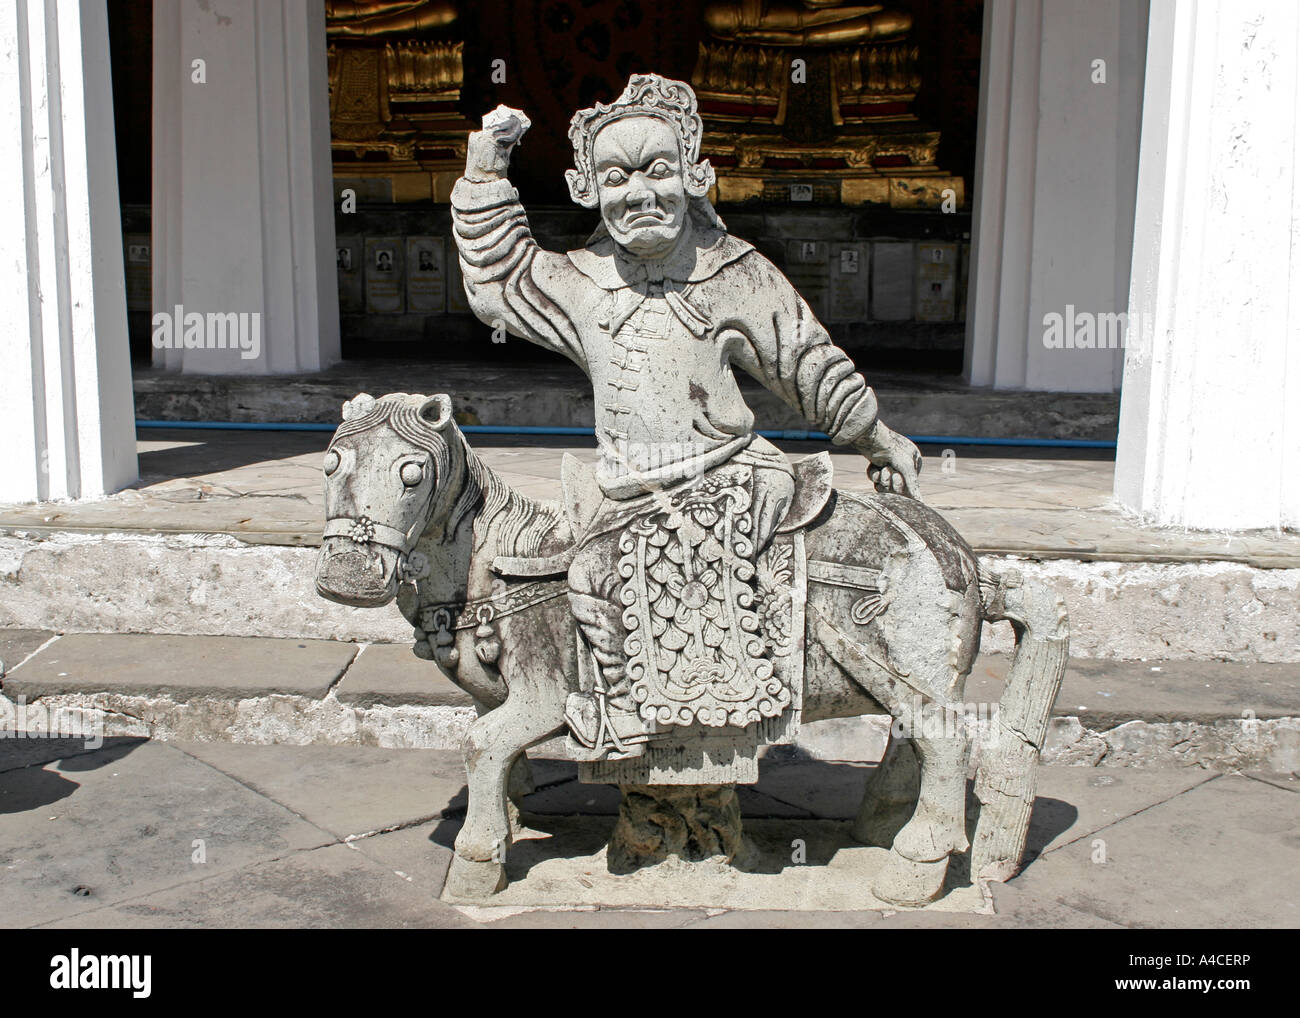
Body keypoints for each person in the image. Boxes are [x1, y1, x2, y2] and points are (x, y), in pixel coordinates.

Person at [451, 74, 920, 756]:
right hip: (628, 489)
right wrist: (487, 167)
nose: (640, 193)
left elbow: (806, 361)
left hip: (730, 474)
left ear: (696, 176)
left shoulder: (736, 271)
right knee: (579, 571)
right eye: (617, 177)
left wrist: (876, 438)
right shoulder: (581, 284)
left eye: (659, 171)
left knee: (632, 561)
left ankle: (699, 734)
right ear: (587, 191)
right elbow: (499, 286)